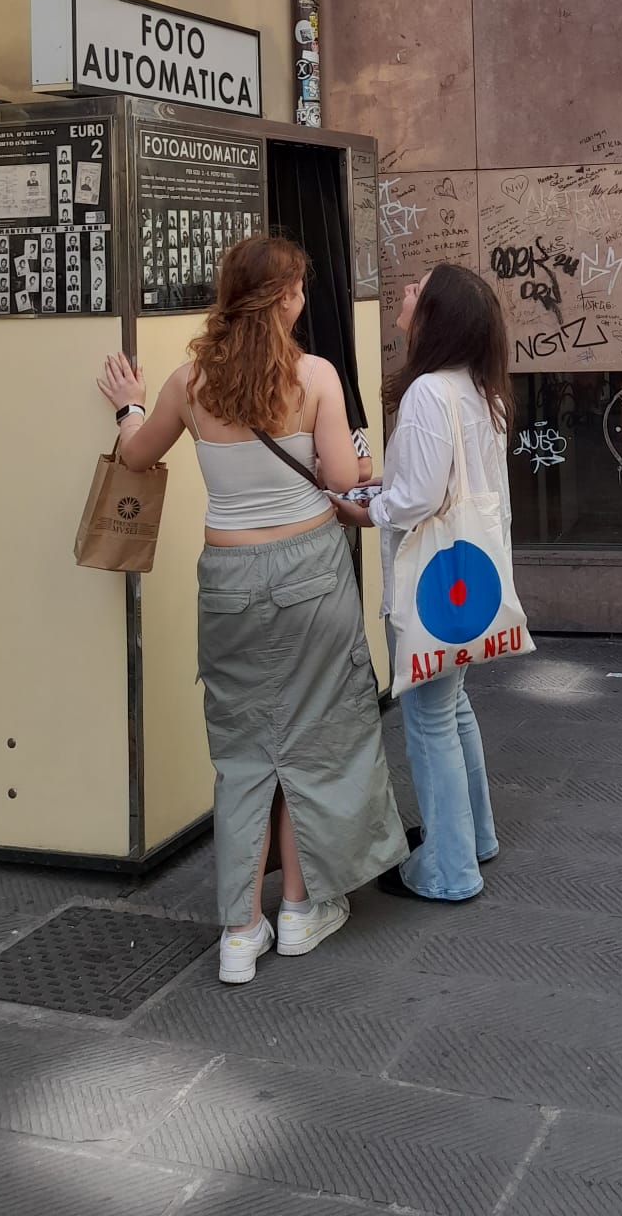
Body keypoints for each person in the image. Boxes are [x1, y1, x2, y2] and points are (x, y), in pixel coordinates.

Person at [98, 235, 406, 984]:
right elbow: (340, 478)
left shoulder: (189, 381)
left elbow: (138, 457)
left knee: (242, 753)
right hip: (311, 570)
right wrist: (365, 460)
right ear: (285, 297)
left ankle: (240, 931)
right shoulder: (315, 376)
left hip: (228, 576)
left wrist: (126, 406)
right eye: (298, 286)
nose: (303, 296)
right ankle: (301, 910)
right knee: (317, 737)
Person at [337, 263, 507, 900]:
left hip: (427, 582)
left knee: (428, 717)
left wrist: (368, 507)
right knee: (452, 705)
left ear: (436, 314)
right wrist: (394, 489)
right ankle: (473, 836)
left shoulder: (426, 393)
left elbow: (414, 500)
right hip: (467, 575)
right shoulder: (476, 389)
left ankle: (448, 867)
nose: (405, 295)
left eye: (417, 290)